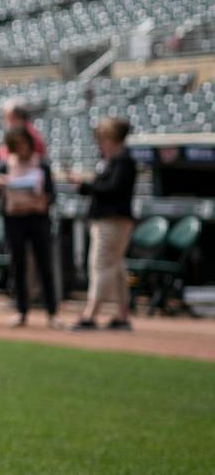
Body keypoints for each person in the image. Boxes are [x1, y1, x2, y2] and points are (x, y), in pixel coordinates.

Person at [67, 117, 138, 332]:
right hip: (111, 221)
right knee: (116, 268)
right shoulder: (115, 159)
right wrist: (85, 185)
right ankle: (123, 316)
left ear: (111, 137)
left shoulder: (123, 159)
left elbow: (112, 189)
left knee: (101, 266)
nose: (100, 142)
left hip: (112, 221)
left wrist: (87, 183)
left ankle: (91, 314)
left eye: (103, 137)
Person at [0, 125, 56, 326]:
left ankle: (52, 312)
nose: (21, 148)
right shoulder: (5, 165)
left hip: (37, 219)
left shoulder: (41, 164)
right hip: (14, 220)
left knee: (44, 264)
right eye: (16, 144)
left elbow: (52, 194)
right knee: (18, 265)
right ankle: (22, 311)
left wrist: (41, 199)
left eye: (23, 143)